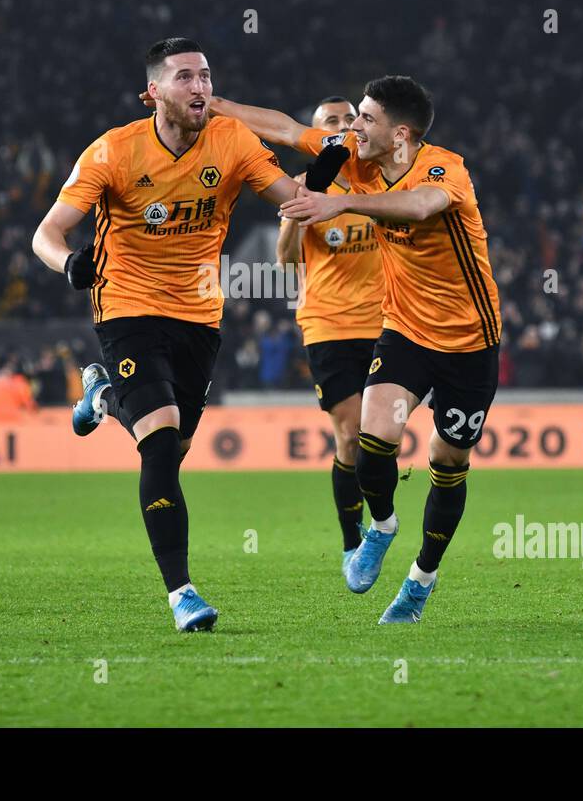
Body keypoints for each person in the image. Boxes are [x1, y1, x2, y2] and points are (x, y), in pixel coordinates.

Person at [209, 76, 501, 624]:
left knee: (447, 459)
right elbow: (286, 129)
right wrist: (213, 105)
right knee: (372, 435)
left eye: (365, 118)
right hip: (405, 330)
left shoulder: (444, 167)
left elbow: (418, 206)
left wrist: (339, 205)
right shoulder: (355, 155)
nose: (352, 127)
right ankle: (382, 526)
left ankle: (421, 579)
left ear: (401, 134)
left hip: (469, 340)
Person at [31, 38, 300, 632]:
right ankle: (182, 594)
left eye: (205, 75)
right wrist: (69, 262)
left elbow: (294, 200)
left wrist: (338, 173)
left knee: (170, 454)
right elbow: (46, 233)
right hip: (127, 308)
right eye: (184, 77)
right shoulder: (113, 151)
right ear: (153, 91)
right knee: (158, 441)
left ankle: (102, 399)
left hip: (200, 316)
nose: (200, 86)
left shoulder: (232, 141)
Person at [275, 96, 384, 567]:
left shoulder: (378, 181)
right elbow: (285, 260)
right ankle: (352, 541)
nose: (343, 126)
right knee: (351, 434)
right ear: (316, 139)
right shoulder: (302, 187)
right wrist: (297, 215)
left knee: (381, 437)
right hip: (329, 323)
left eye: (349, 118)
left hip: (387, 321)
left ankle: (379, 516)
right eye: (331, 122)